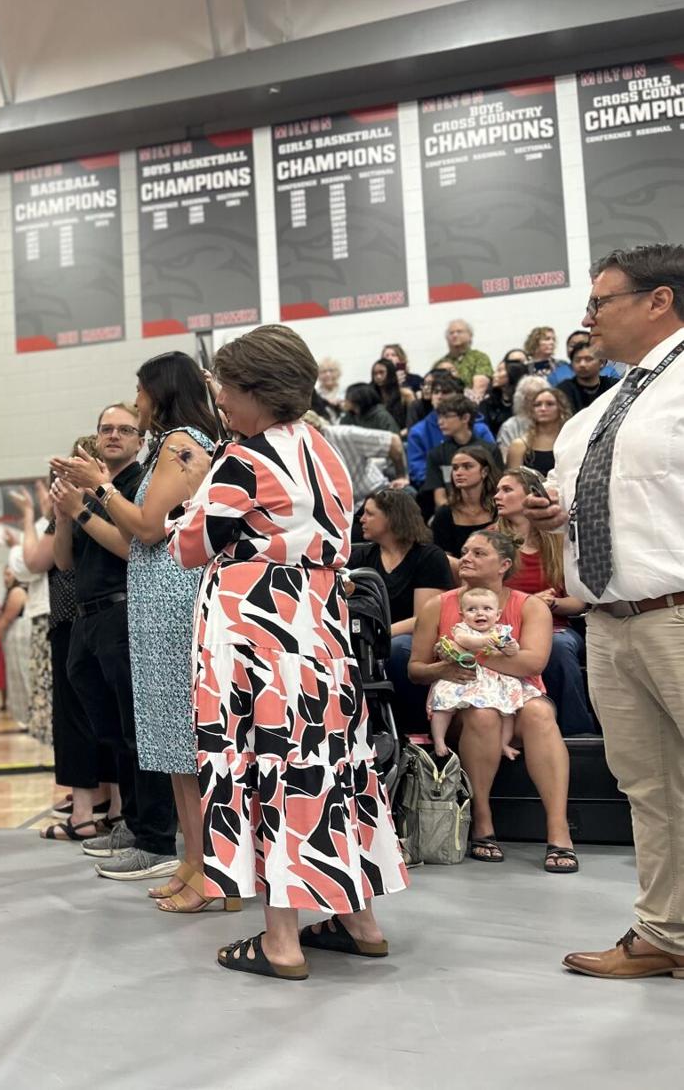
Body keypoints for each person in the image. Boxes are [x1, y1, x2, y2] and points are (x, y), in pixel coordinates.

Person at [168, 324, 408, 981]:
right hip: (319, 624)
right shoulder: (326, 450)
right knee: (324, 760)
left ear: (259, 392)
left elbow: (187, 545)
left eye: (227, 390)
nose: (219, 400)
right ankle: (359, 919)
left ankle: (281, 939)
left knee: (260, 762)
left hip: (254, 624)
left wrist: (195, 489)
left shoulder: (242, 461)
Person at [526, 244, 684, 978]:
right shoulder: (597, 411)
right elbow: (584, 512)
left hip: (678, 608)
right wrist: (550, 517)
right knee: (649, 789)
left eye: (602, 301)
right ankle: (667, 932)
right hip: (611, 618)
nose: (587, 318)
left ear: (659, 301)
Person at [52, 351, 224, 909]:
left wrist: (99, 489)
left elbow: (149, 529)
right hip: (154, 597)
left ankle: (205, 870)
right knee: (168, 743)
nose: (139, 399)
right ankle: (193, 863)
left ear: (161, 390)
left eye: (142, 391)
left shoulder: (181, 444)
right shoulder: (172, 442)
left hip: (172, 597)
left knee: (181, 741)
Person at [50, 402, 179, 881]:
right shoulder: (92, 491)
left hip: (123, 608)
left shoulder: (136, 485)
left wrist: (81, 508)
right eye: (106, 428)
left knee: (139, 732)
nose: (115, 435)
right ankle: (133, 823)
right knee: (112, 733)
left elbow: (132, 547)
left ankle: (156, 837)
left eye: (126, 429)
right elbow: (63, 563)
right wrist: (64, 515)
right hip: (86, 618)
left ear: (140, 440)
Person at [409, 529, 576, 873]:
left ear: (503, 565)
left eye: (478, 553)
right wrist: (443, 666)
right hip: (462, 705)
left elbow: (532, 663)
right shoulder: (436, 606)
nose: (466, 558)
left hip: (517, 699)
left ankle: (559, 830)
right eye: (465, 551)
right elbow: (415, 669)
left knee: (539, 713)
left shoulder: (529, 606)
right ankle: (482, 822)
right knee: (483, 714)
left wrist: (470, 653)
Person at [29, 453, 118, 843]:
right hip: (86, 619)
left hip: (74, 619)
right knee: (105, 720)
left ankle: (86, 814)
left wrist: (30, 520)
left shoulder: (86, 510)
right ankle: (112, 809)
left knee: (80, 722)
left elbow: (39, 560)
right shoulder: (98, 509)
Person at [493, 468, 593, 735]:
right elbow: (478, 597)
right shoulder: (489, 540)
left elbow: (578, 603)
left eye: (507, 489)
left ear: (532, 495)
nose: (497, 496)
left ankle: (577, 732)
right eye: (497, 490)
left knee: (559, 647)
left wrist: (550, 605)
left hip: (555, 626)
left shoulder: (559, 541)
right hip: (503, 628)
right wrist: (528, 604)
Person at [349, 489, 453, 729]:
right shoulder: (360, 556)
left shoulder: (429, 557)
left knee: (397, 649)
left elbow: (424, 619)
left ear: (392, 518)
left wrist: (382, 634)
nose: (361, 519)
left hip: (409, 637)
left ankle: (413, 727)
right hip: (367, 635)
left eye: (369, 514)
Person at [426, 586, 529, 759]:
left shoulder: (501, 631)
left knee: (508, 711)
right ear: (462, 614)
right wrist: (482, 641)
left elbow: (512, 651)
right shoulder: (461, 629)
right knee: (443, 704)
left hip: (495, 679)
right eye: (472, 609)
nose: (479, 613)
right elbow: (463, 640)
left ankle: (504, 743)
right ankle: (439, 740)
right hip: (467, 676)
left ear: (497, 614)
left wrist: (512, 647)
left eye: (487, 609)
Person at [3, 490, 52, 745]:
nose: (46, 499)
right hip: (45, 614)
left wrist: (28, 517)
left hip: (50, 615)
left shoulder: (48, 525)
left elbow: (26, 565)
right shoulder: (44, 525)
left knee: (49, 691)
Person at [406, 373, 494, 489]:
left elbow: (493, 467)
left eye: (445, 392)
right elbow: (418, 473)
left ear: (459, 396)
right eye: (436, 392)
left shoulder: (480, 429)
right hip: (435, 490)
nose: (440, 397)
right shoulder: (418, 432)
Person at [420, 396, 502, 508]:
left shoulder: (490, 450)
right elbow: (439, 498)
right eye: (439, 417)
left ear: (465, 418)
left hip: (487, 509)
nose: (440, 422)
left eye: (446, 416)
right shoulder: (436, 454)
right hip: (452, 512)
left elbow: (497, 489)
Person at [428, 444, 500, 561]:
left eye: (467, 467)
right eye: (455, 468)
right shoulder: (445, 514)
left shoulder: (500, 507)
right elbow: (443, 561)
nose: (458, 473)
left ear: (485, 471)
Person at [0, 567, 30, 731]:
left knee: (23, 676)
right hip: (14, 638)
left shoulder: (18, 591)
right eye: (4, 574)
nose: (5, 577)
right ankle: (25, 717)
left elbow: (7, 618)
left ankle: (29, 718)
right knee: (16, 677)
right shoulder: (11, 592)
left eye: (9, 574)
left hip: (20, 637)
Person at [504, 387, 570, 477]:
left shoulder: (570, 441)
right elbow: (513, 483)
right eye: (537, 405)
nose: (543, 409)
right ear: (532, 410)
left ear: (561, 408)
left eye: (550, 404)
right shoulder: (519, 446)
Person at [479, 350, 532, 436]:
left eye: (499, 371)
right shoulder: (487, 404)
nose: (494, 375)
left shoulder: (526, 402)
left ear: (513, 373)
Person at [496, 374, 550, 453]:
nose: (541, 407)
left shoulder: (558, 423)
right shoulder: (510, 427)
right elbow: (505, 458)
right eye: (532, 398)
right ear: (522, 400)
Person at [558, 344, 621, 413]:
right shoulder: (564, 390)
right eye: (577, 360)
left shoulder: (615, 386)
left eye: (588, 359)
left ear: (601, 363)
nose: (582, 364)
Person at [548, 329, 622, 385]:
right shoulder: (556, 374)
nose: (577, 349)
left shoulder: (609, 372)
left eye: (581, 344)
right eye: (572, 345)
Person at [440, 318, 493, 387]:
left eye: (459, 332)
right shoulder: (440, 363)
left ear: (470, 336)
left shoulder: (479, 358)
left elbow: (480, 387)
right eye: (451, 333)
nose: (455, 335)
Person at [369, 359, 414, 432]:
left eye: (381, 372)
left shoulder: (406, 394)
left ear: (390, 373)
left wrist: (400, 434)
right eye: (375, 374)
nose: (378, 377)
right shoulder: (371, 395)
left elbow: (414, 421)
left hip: (403, 434)